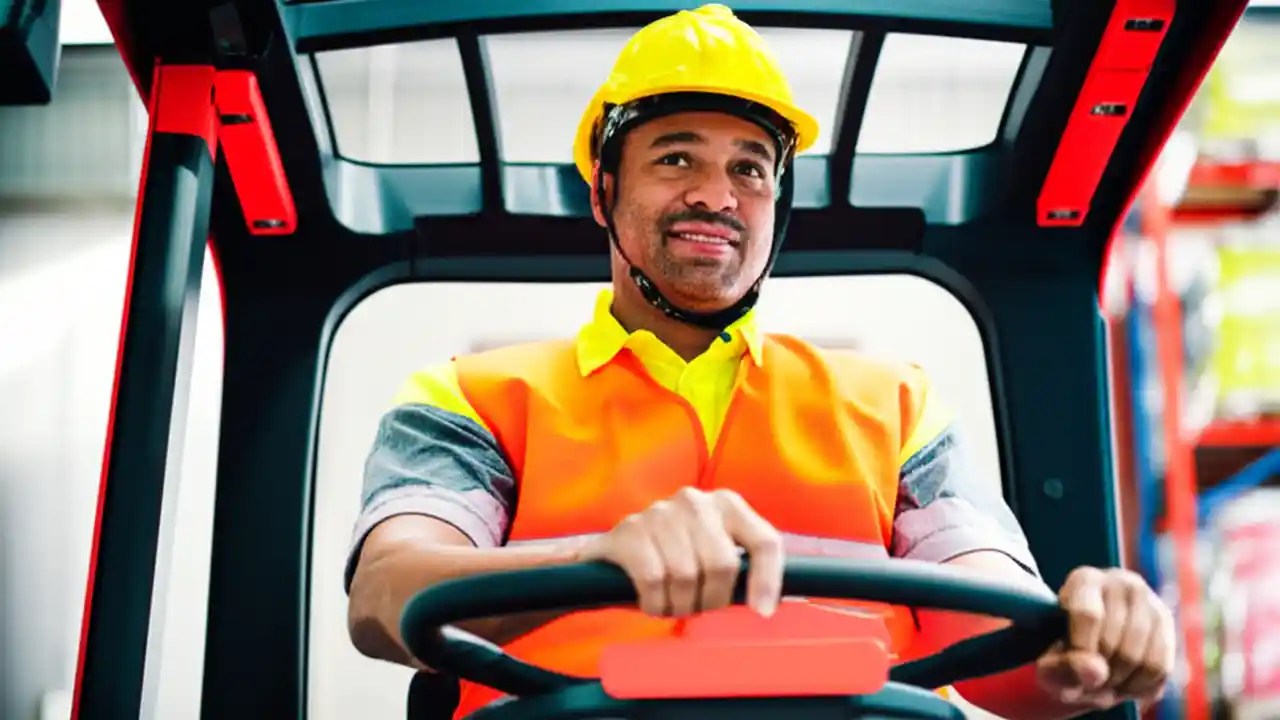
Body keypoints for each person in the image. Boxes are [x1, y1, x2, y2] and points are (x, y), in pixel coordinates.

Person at [344, 5, 1176, 719]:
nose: (717, 195)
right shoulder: (475, 397)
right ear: (602, 190)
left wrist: (1085, 642)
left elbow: (996, 629)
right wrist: (591, 562)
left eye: (750, 168)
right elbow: (386, 597)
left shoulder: (896, 406)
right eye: (676, 157)